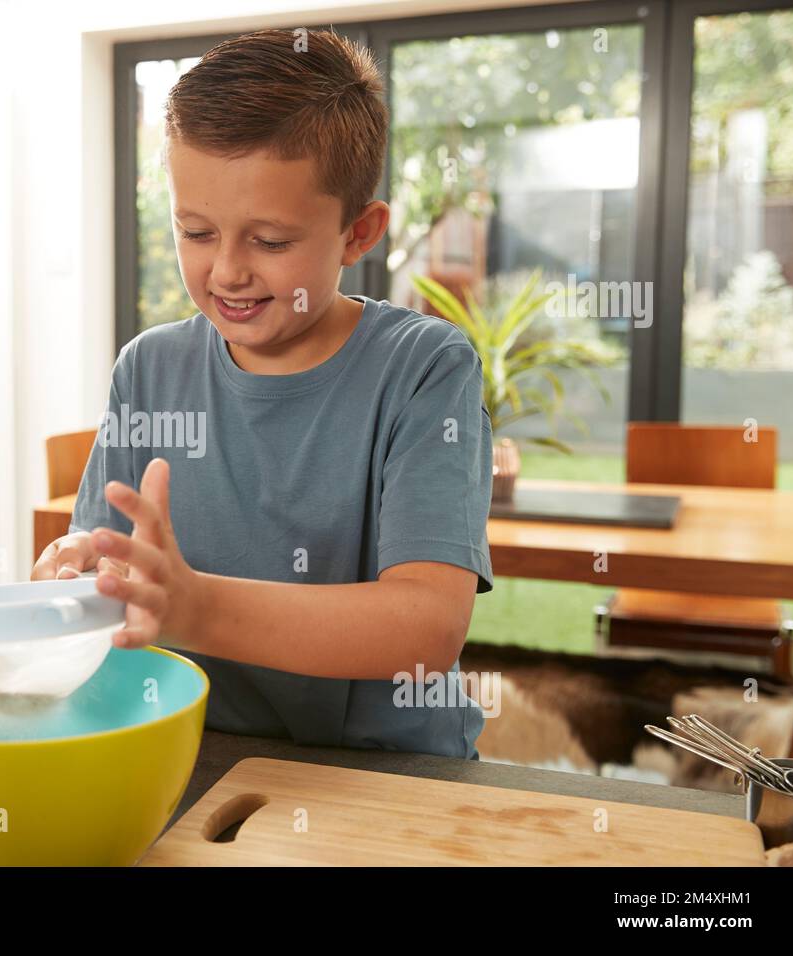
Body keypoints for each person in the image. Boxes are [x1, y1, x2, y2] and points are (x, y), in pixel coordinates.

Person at [33, 29, 493, 759]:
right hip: (195, 752)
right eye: (196, 231)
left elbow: (425, 628)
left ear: (358, 233)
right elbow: (112, 571)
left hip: (392, 776)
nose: (227, 271)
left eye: (270, 241)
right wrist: (78, 576)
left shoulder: (424, 366)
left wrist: (198, 608)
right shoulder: (148, 371)